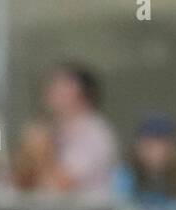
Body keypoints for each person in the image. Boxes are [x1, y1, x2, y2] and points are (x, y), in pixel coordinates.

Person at [13, 62, 119, 195]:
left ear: (82, 93)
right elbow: (23, 181)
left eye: (60, 86)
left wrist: (40, 152)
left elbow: (61, 183)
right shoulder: (53, 130)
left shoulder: (94, 133)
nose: (50, 91)